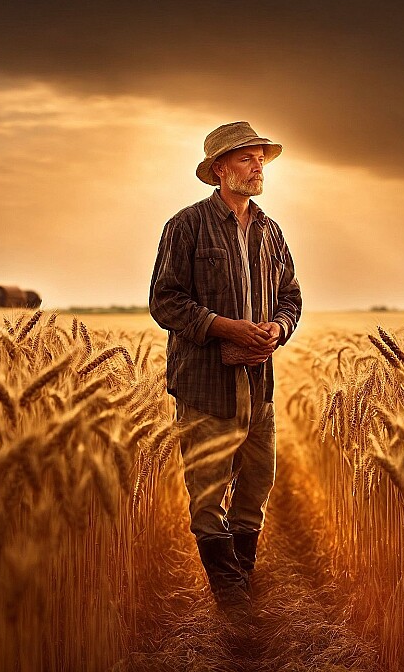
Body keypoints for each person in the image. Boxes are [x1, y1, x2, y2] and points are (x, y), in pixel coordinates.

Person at [149, 121, 303, 615]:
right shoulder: (186, 225)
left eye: (261, 157)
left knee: (257, 484)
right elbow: (165, 302)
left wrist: (277, 328)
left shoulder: (270, 230)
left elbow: (291, 297)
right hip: (205, 388)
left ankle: (242, 575)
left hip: (259, 386)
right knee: (209, 490)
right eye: (246, 158)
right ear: (219, 169)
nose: (258, 165)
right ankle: (231, 599)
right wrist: (225, 327)